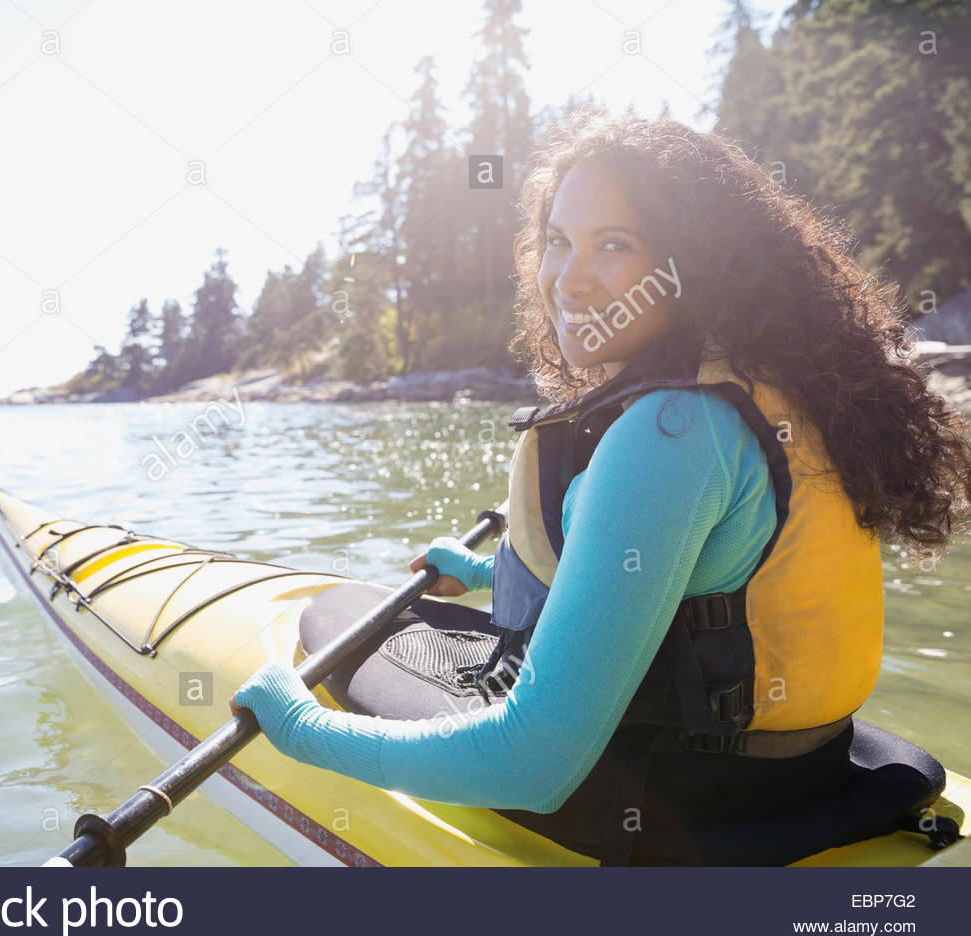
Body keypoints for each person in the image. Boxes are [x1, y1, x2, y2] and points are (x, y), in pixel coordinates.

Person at [232, 107, 971, 864]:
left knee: (340, 615)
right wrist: (494, 576)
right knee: (424, 618)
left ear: (695, 261)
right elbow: (712, 589)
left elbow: (534, 765)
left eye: (615, 245)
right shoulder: (787, 388)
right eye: (558, 241)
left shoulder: (672, 432)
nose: (570, 279)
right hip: (806, 771)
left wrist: (298, 728)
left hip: (673, 793)